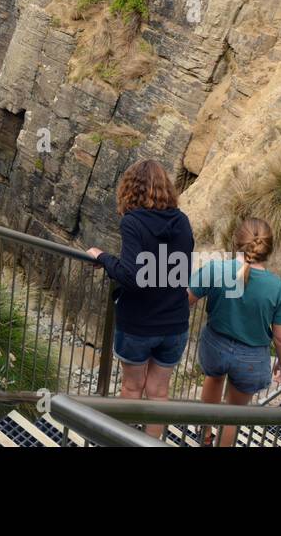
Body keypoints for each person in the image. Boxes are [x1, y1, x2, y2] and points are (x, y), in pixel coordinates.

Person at [86, 159, 194, 439]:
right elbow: (175, 268)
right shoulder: (182, 221)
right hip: (175, 322)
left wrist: (103, 258)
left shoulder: (132, 222)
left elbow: (133, 276)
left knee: (132, 388)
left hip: (139, 324)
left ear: (129, 189)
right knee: (159, 394)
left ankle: (123, 442)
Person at [188, 217, 281, 446]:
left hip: (215, 344)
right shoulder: (277, 287)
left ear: (236, 243)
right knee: (233, 416)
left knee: (213, 379)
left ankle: (204, 435)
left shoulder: (216, 269)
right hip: (251, 358)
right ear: (268, 249)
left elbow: (186, 300)